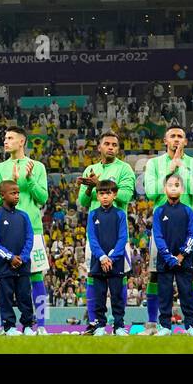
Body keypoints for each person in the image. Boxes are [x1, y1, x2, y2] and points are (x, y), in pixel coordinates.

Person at [141, 125, 193, 334]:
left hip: (186, 226)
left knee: (192, 276)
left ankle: (192, 324)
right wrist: (170, 170)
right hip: (162, 225)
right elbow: (150, 193)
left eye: (180, 136)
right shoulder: (154, 164)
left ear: (186, 141)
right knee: (155, 275)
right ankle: (154, 325)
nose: (177, 140)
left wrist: (181, 167)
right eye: (173, 136)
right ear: (165, 140)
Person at [0, 126, 50, 331]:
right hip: (6, 231)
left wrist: (29, 180)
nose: (6, 141)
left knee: (36, 276)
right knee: (6, 280)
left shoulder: (37, 166)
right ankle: (8, 325)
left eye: (10, 138)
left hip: (33, 228)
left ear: (22, 141)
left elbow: (43, 198)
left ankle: (40, 325)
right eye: (5, 137)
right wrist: (13, 181)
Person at [76, 132, 135, 323]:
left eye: (114, 145)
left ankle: (119, 322)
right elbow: (82, 202)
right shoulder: (90, 169)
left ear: (118, 149)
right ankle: (94, 322)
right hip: (95, 233)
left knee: (119, 278)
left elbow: (125, 196)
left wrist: (99, 184)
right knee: (94, 277)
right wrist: (88, 187)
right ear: (99, 147)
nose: (111, 147)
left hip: (118, 233)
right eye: (107, 144)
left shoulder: (125, 169)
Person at [152, 173, 193, 337]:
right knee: (164, 294)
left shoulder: (188, 211)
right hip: (165, 261)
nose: (173, 188)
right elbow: (157, 236)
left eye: (177, 185)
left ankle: (191, 326)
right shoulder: (159, 211)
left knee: (186, 293)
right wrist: (169, 257)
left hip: (184, 260)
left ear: (182, 189)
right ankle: (165, 326)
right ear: (164, 189)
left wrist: (181, 255)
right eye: (170, 185)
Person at [0, 179, 35, 336]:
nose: (17, 196)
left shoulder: (24, 216)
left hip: (22, 265)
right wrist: (10, 257)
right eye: (13, 193)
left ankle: (28, 325)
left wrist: (22, 257)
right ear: (2, 195)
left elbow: (30, 238)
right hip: (4, 267)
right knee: (6, 298)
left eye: (18, 193)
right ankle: (8, 326)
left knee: (25, 296)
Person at [85, 180, 129, 336]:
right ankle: (100, 326)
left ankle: (118, 326)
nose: (105, 197)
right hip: (98, 262)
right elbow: (92, 239)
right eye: (101, 193)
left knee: (117, 296)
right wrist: (103, 257)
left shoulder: (120, 214)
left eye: (108, 193)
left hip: (115, 263)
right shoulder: (92, 214)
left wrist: (111, 257)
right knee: (99, 296)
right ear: (97, 196)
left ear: (115, 195)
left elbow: (123, 238)